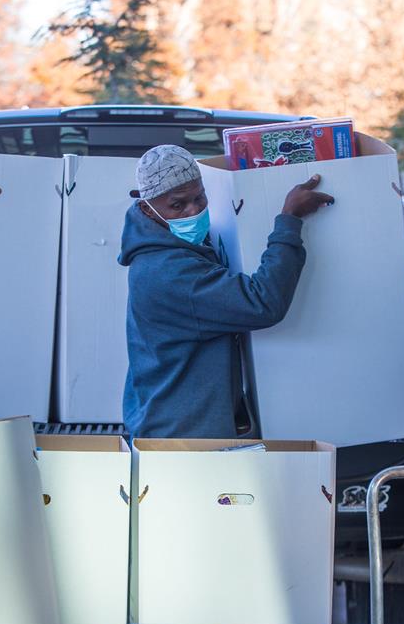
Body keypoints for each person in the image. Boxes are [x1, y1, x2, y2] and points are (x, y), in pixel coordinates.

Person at [119, 144, 333, 438]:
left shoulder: (171, 249)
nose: (194, 210)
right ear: (148, 209)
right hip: (182, 439)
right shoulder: (169, 271)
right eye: (178, 205)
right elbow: (262, 301)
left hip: (178, 424)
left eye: (199, 197)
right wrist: (289, 220)